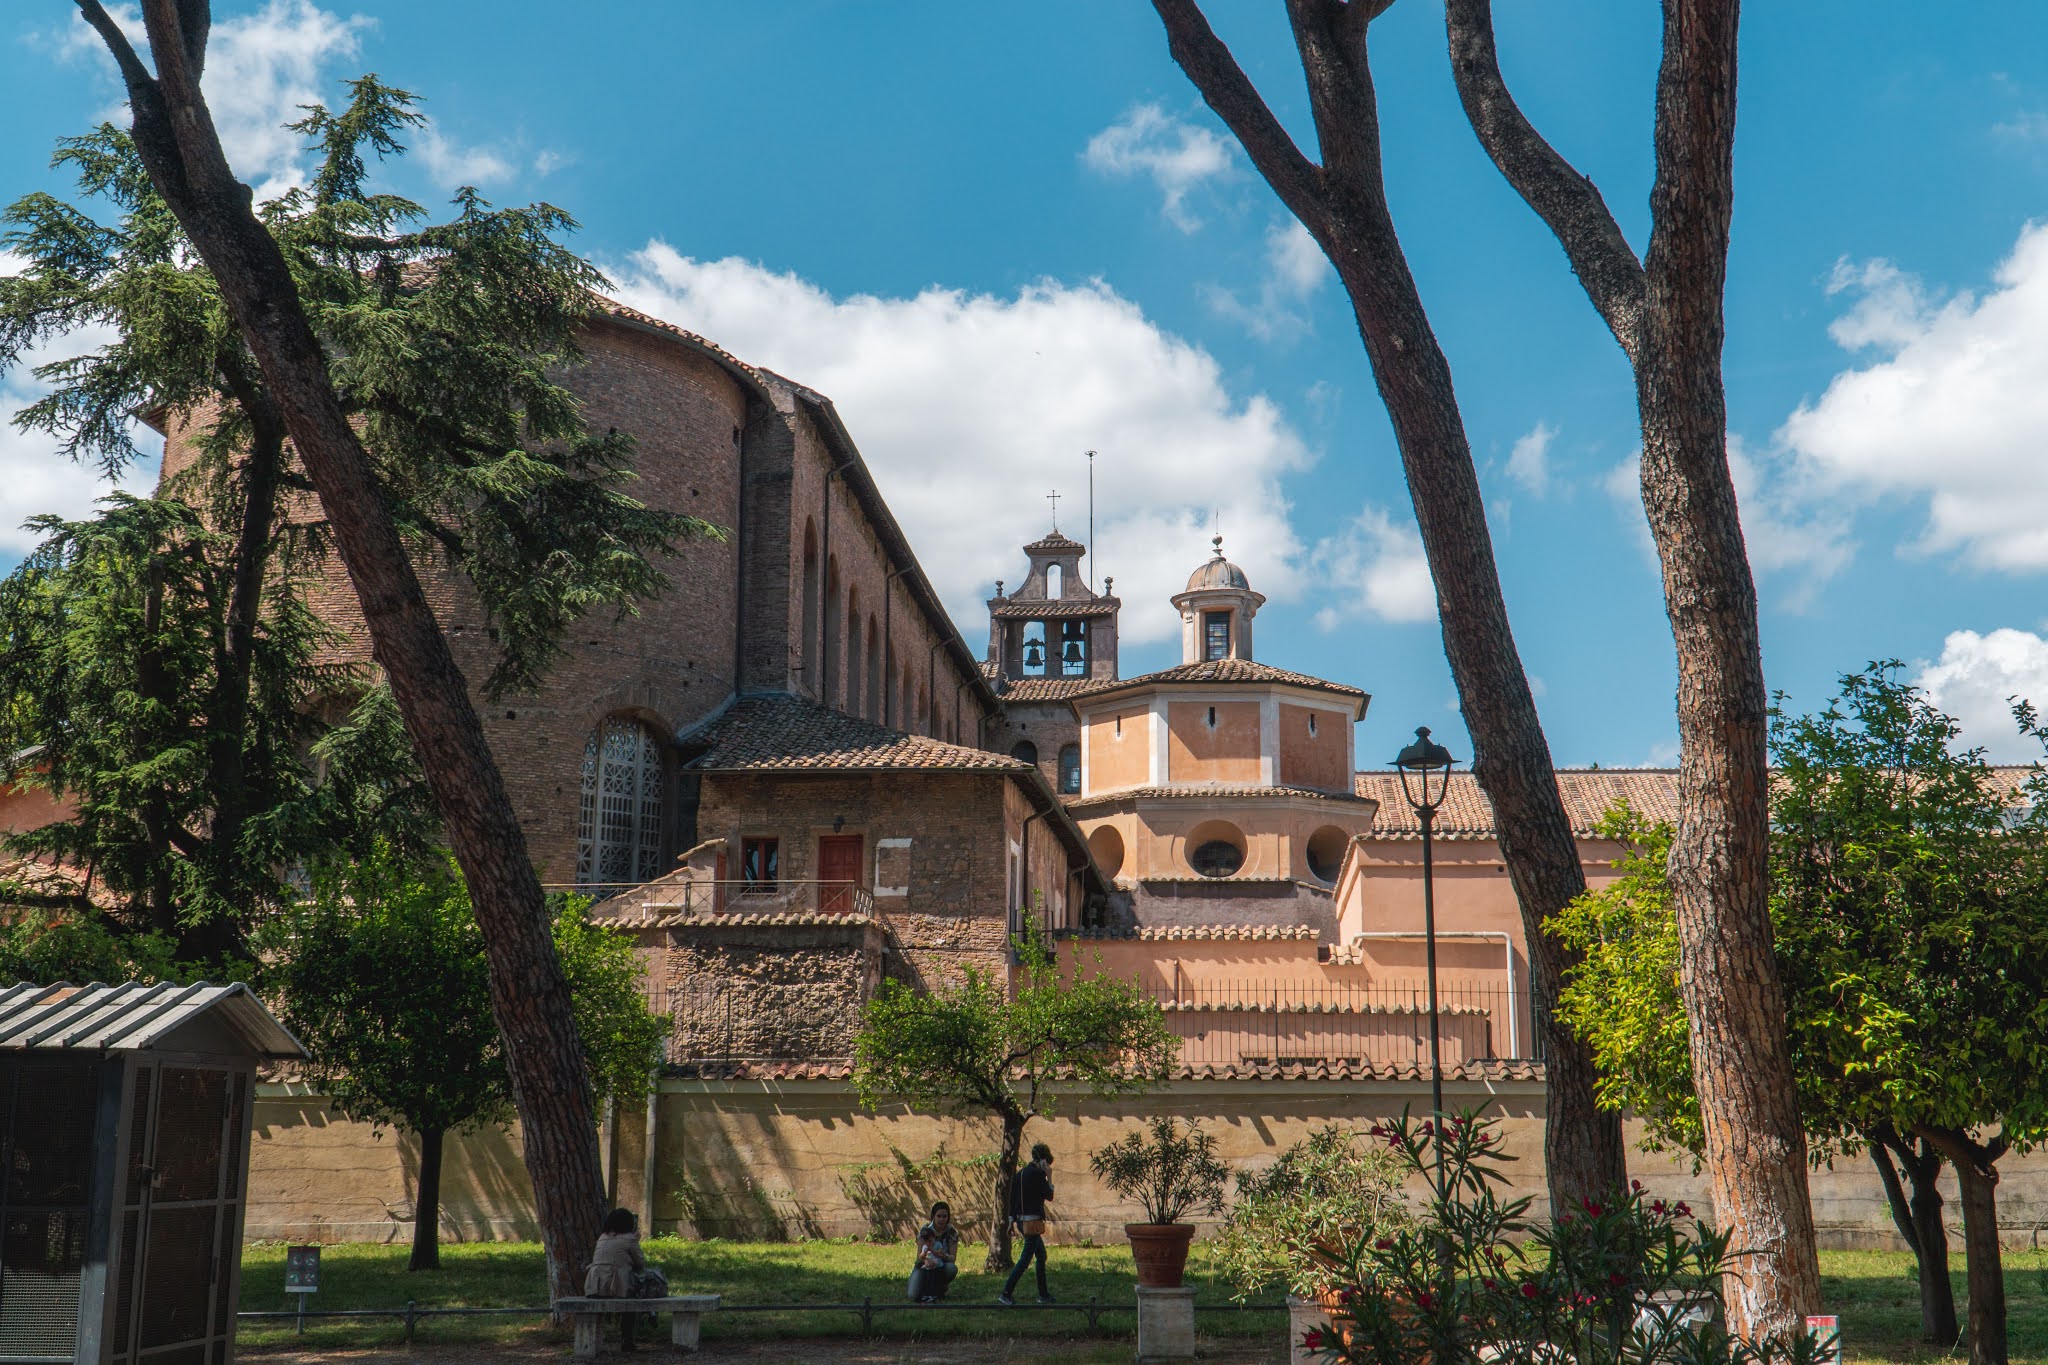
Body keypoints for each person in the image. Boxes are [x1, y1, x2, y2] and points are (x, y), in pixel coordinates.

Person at [585, 1207, 669, 1351]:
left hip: (595, 1286)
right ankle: (629, 1336)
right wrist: (636, 1240)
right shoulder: (629, 1239)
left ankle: (649, 1314)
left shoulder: (602, 1237)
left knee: (632, 1290)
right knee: (641, 1288)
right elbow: (640, 1263)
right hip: (616, 1286)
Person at [997, 1142, 1055, 1305]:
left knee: (1041, 1255)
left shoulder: (1020, 1174)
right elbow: (1049, 1195)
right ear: (1044, 1161)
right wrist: (1049, 1176)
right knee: (1024, 1260)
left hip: (1022, 1222)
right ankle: (1006, 1293)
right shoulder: (1038, 1174)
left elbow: (1013, 1200)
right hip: (1033, 1223)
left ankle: (1043, 1295)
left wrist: (1010, 1222)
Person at [907, 1200, 961, 1302]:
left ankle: (940, 1287)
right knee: (912, 1296)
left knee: (952, 1268)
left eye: (944, 1216)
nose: (941, 1219)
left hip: (941, 1266)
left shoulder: (952, 1232)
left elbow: (953, 1258)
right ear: (933, 1216)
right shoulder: (925, 1230)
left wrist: (943, 1255)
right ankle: (921, 1285)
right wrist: (927, 1260)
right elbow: (919, 1256)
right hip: (924, 1266)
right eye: (939, 1216)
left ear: (948, 1217)